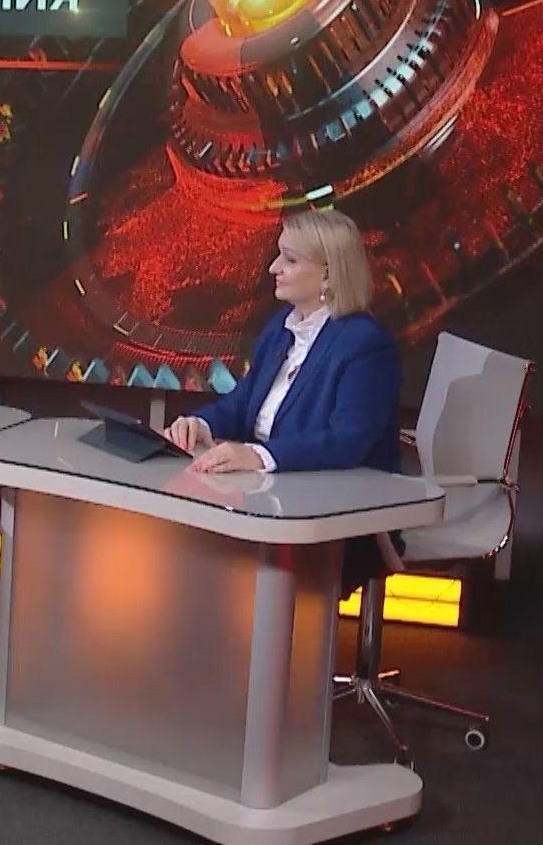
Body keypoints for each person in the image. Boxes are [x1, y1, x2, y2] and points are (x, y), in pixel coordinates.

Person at [164, 208, 402, 591]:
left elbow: (348, 441)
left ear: (328, 274)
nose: (274, 268)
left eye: (290, 260)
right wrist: (202, 424)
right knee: (181, 543)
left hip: (337, 522)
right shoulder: (281, 327)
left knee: (202, 562)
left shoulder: (365, 345)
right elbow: (243, 402)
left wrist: (258, 456)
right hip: (268, 503)